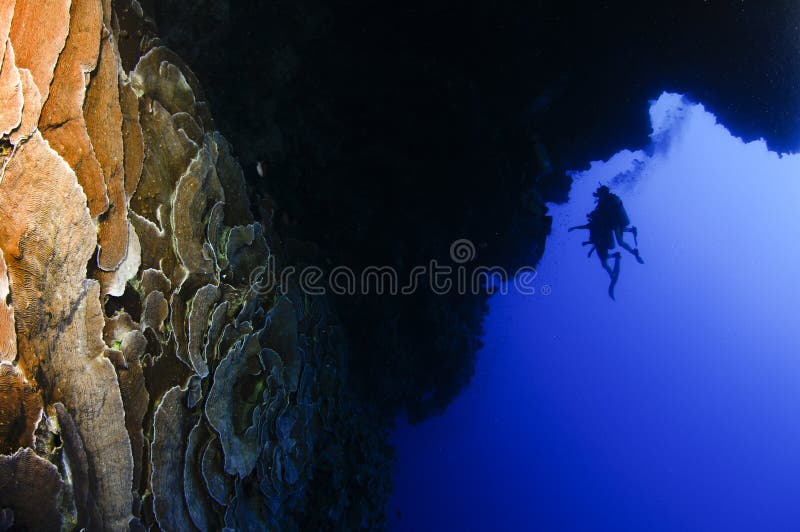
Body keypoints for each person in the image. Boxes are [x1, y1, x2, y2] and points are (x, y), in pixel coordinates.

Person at [569, 185, 643, 299]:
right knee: (619, 241)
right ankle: (631, 244)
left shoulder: (605, 202)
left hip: (616, 224)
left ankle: (629, 250)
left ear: (602, 193)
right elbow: (599, 231)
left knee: (620, 242)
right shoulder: (608, 201)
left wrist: (578, 231)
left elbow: (598, 225)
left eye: (598, 193)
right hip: (616, 225)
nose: (597, 195)